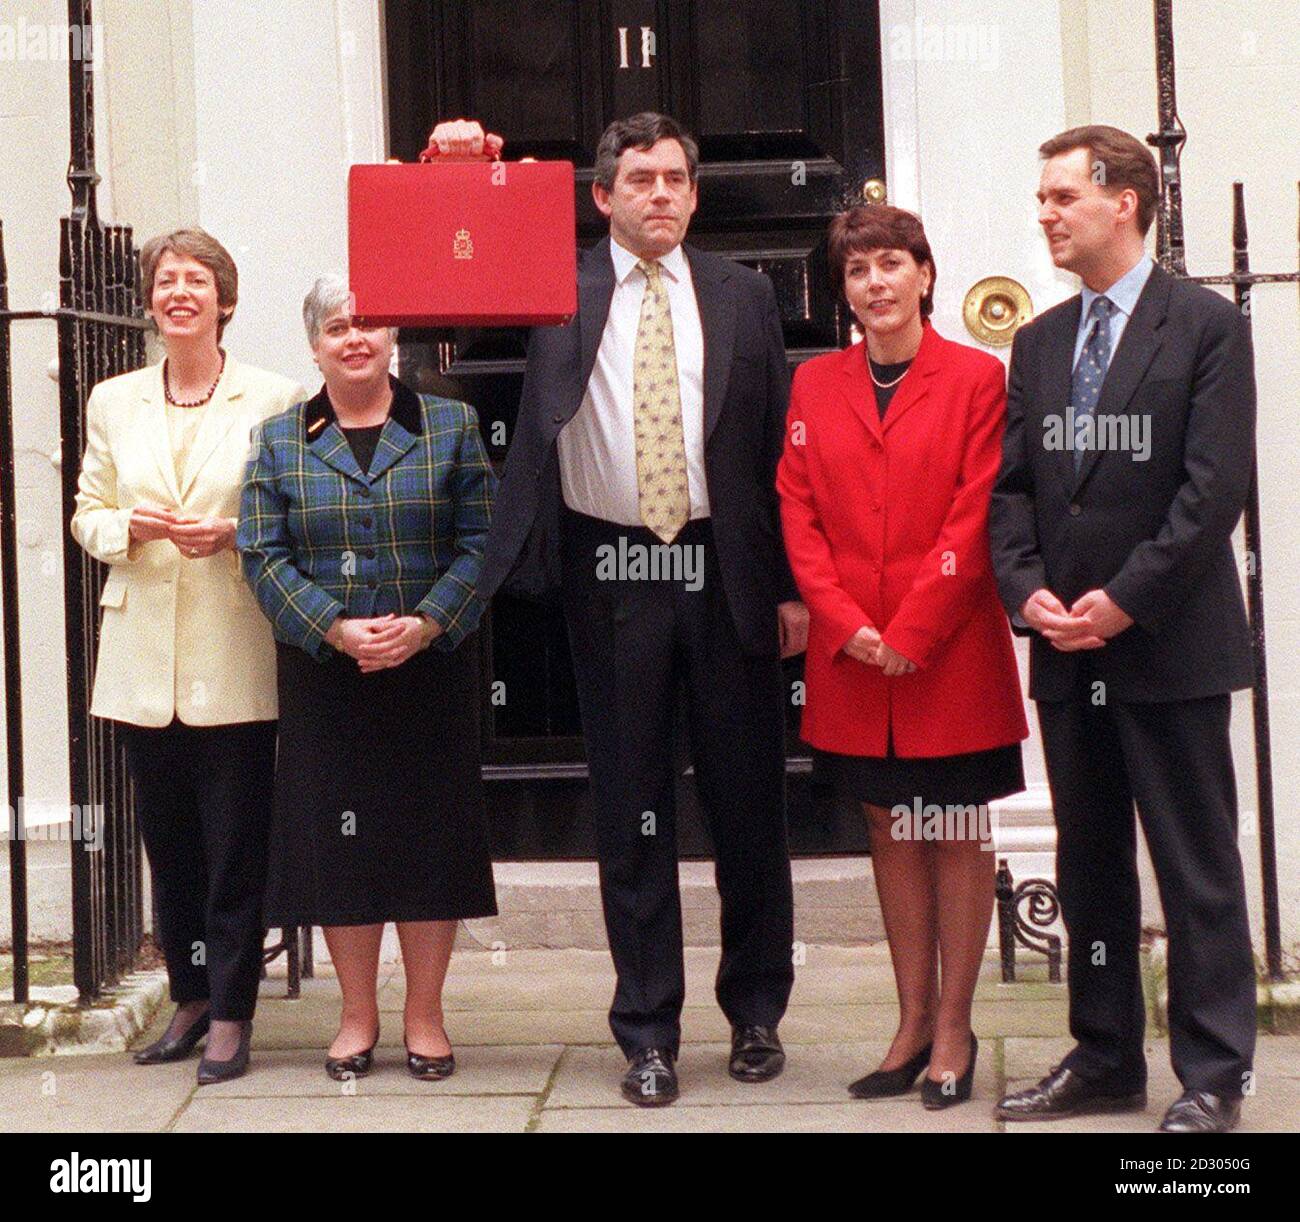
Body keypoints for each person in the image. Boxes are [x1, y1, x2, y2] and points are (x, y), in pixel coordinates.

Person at [427, 115, 806, 1106]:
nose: (661, 196)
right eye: (639, 180)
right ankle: (647, 1028)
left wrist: (794, 584)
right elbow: (435, 264)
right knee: (631, 807)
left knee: (746, 801)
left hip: (726, 566)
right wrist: (458, 163)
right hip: (613, 569)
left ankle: (756, 1011)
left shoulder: (743, 293)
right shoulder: (551, 284)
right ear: (600, 197)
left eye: (676, 179)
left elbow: (776, 447)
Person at [990, 126, 1257, 1133]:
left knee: (1194, 867)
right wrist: (1029, 596)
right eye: (1044, 197)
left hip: (1168, 646)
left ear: (1126, 202)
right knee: (1089, 864)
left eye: (1063, 196)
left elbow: (1210, 490)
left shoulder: (1202, 327)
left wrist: (1123, 600)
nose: (1047, 214)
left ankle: (1214, 1072)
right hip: (1067, 655)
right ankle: (1104, 1056)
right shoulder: (1041, 341)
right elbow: (1010, 492)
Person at [777, 205, 1027, 1109]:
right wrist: (844, 623)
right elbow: (797, 514)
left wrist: (913, 628)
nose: (875, 284)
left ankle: (956, 1029)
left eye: (891, 264)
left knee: (952, 828)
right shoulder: (814, 388)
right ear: (842, 291)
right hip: (854, 657)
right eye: (856, 271)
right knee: (890, 826)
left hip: (947, 654)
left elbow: (978, 512)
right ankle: (911, 1019)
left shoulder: (976, 381)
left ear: (925, 274)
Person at [238, 275, 497, 1082]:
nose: (356, 339)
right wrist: (332, 627)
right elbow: (261, 552)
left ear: (395, 339)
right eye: (338, 327)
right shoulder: (280, 439)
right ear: (315, 345)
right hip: (328, 674)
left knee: (427, 841)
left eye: (370, 324)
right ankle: (357, 1018)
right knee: (340, 850)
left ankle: (425, 1017)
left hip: (430, 667)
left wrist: (424, 624)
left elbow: (483, 543)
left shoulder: (450, 425)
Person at [71, 228, 305, 1084]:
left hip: (233, 645)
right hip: (141, 659)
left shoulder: (274, 398)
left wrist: (237, 535)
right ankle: (191, 996)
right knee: (170, 847)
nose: (179, 292)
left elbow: (293, 518)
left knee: (235, 842)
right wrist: (124, 528)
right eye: (166, 280)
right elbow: (87, 510)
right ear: (151, 301)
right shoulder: (113, 399)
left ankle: (234, 1015)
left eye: (196, 280)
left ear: (224, 301)